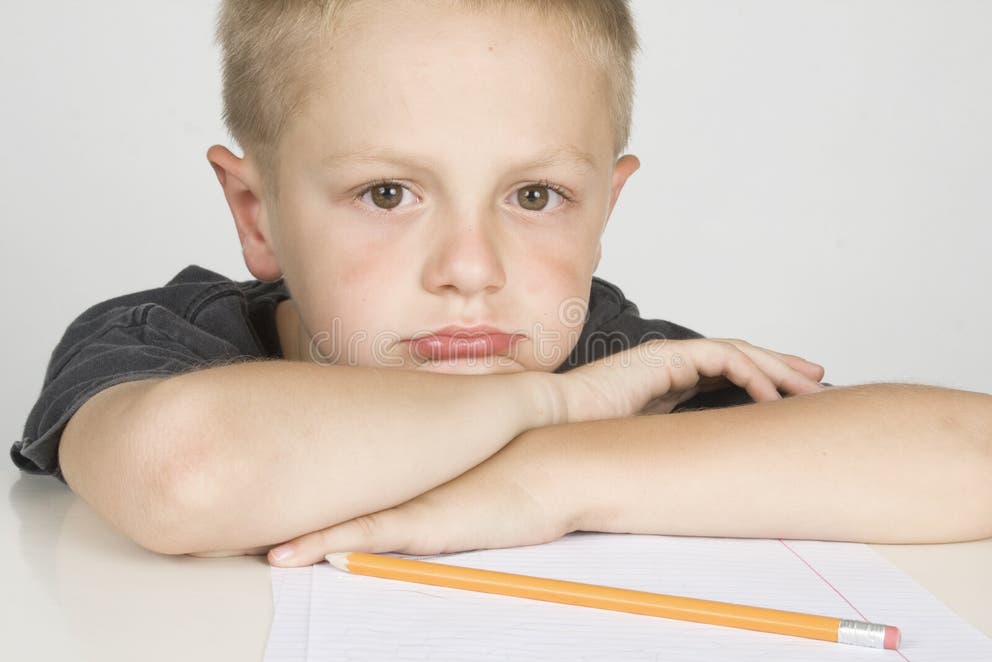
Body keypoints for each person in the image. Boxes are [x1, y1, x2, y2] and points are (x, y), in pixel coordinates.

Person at [11, 0, 991, 568]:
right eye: (387, 192)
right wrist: (549, 403)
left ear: (603, 208)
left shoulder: (606, 349)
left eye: (533, 193)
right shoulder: (164, 339)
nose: (471, 271)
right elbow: (187, 474)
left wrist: (551, 479)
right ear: (256, 213)